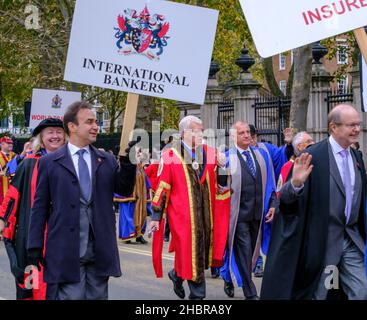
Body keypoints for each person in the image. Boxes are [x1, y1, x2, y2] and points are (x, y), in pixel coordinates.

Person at [27, 101, 137, 300]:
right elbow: (39, 207)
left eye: (96, 122)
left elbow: (124, 190)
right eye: (89, 122)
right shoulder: (49, 163)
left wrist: (128, 163)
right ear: (72, 127)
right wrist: (34, 246)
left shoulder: (107, 160)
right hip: (65, 249)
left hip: (99, 248)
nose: (96, 126)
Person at [261, 104, 367, 300]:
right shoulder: (312, 157)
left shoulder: (356, 156)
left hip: (351, 240)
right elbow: (285, 201)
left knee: (361, 291)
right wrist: (295, 184)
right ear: (333, 127)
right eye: (351, 125)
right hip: (322, 242)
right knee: (320, 293)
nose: (357, 129)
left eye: (358, 125)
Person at [147, 115, 230, 300]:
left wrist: (224, 165)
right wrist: (155, 217)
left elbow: (219, 182)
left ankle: (176, 275)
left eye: (202, 130)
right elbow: (162, 187)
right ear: (184, 132)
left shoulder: (210, 152)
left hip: (205, 215)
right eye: (196, 130)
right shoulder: (170, 155)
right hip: (182, 217)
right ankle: (197, 297)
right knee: (193, 253)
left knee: (197, 253)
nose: (201, 133)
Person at [0, 118, 66, 300]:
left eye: (59, 132)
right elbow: (12, 197)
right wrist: (2, 221)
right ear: (41, 138)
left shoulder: (72, 163)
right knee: (30, 286)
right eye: (50, 132)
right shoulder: (29, 164)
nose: (55, 136)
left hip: (61, 239)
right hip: (31, 238)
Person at [220, 121, 277, 300]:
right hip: (238, 216)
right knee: (244, 252)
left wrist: (273, 205)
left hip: (257, 215)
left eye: (247, 132)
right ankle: (250, 293)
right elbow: (220, 188)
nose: (246, 135)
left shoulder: (260, 157)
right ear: (233, 137)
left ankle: (232, 279)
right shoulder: (227, 158)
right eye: (241, 132)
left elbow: (271, 184)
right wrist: (220, 169)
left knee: (252, 252)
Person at [115, 146, 152, 244]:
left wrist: (148, 192)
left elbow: (146, 181)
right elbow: (122, 180)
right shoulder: (127, 165)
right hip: (129, 198)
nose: (140, 154)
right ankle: (127, 236)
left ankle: (139, 235)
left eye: (140, 152)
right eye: (138, 152)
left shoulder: (140, 167)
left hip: (140, 198)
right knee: (128, 217)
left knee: (141, 216)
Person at [276, 131, 315, 197]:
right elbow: (280, 193)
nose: (313, 143)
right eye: (308, 142)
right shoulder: (288, 166)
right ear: (299, 146)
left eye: (313, 141)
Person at [0, 136, 17, 204]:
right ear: (2, 144)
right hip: (1, 187)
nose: (11, 145)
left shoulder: (15, 156)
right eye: (8, 143)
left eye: (11, 143)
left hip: (14, 186)